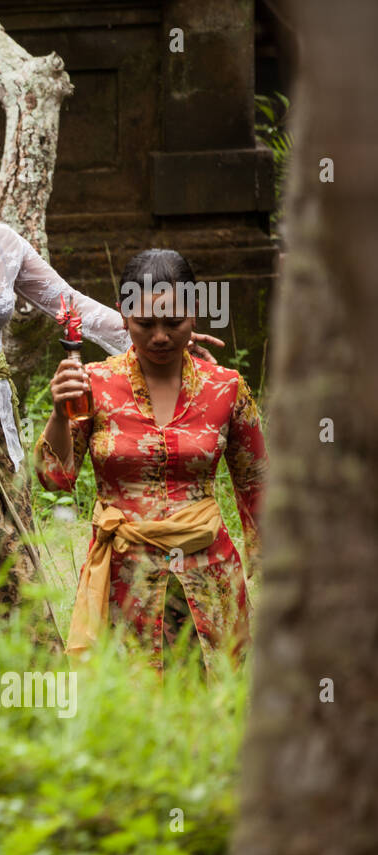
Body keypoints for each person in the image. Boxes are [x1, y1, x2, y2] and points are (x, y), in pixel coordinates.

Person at [0, 116, 221, 618]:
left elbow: (68, 303)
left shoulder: (6, 244)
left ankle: (27, 689)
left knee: (15, 573)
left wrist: (155, 334)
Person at [36, 250, 266, 670]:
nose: (159, 336)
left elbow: (257, 486)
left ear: (194, 315)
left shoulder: (226, 389)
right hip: (124, 575)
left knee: (207, 702)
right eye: (145, 323)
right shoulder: (94, 384)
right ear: (123, 317)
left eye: (173, 322)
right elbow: (55, 479)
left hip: (208, 573)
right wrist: (58, 411)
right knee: (130, 712)